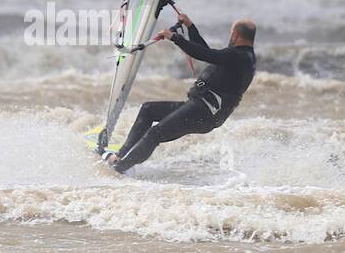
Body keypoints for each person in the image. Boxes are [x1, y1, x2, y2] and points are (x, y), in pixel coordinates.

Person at [106, 16, 256, 173]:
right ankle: (121, 155)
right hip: (200, 109)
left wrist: (175, 38)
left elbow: (206, 55)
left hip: (204, 112)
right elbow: (206, 52)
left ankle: (119, 168)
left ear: (235, 35)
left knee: (155, 133)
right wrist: (190, 27)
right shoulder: (242, 56)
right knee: (148, 109)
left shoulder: (239, 57)